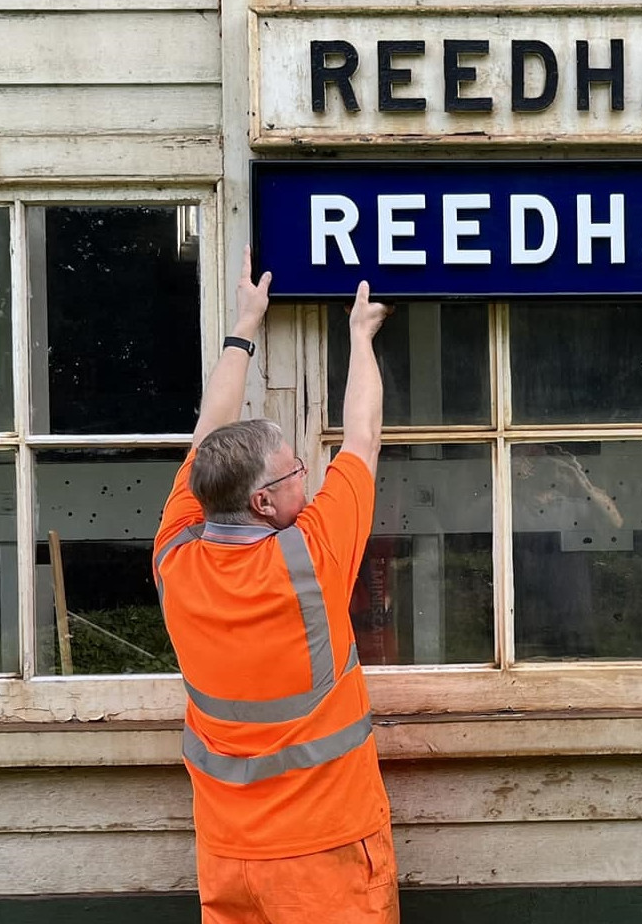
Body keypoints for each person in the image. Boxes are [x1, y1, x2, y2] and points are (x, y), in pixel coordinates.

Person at [153, 248, 396, 924]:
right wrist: (359, 337)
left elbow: (208, 430)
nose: (306, 476)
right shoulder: (311, 558)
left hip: (228, 857)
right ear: (262, 502)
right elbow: (364, 439)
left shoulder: (175, 552)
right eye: (294, 471)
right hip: (326, 858)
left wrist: (245, 328)